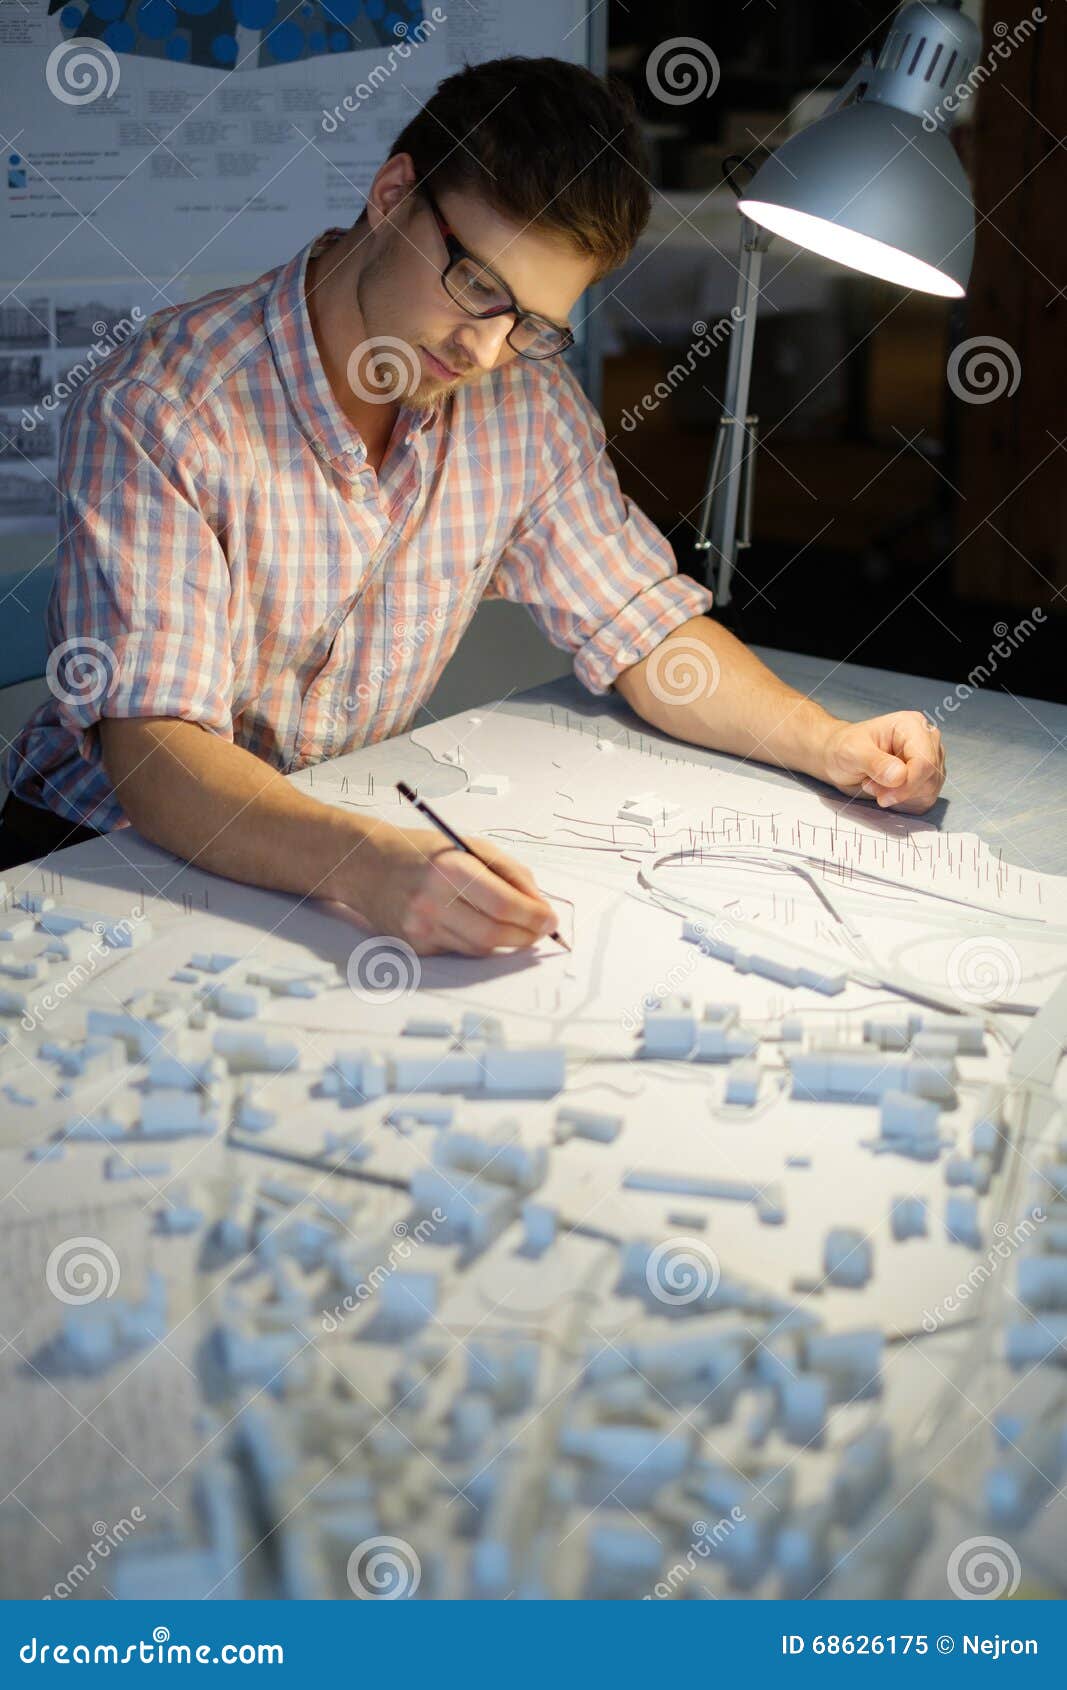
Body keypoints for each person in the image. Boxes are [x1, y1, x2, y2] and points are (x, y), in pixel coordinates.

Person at [0, 56, 945, 950]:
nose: (485, 352)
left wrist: (829, 745)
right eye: (477, 285)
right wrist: (366, 864)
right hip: (95, 860)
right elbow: (156, 752)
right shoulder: (164, 401)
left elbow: (645, 631)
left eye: (532, 324)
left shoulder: (519, 404)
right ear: (393, 194)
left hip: (328, 854)